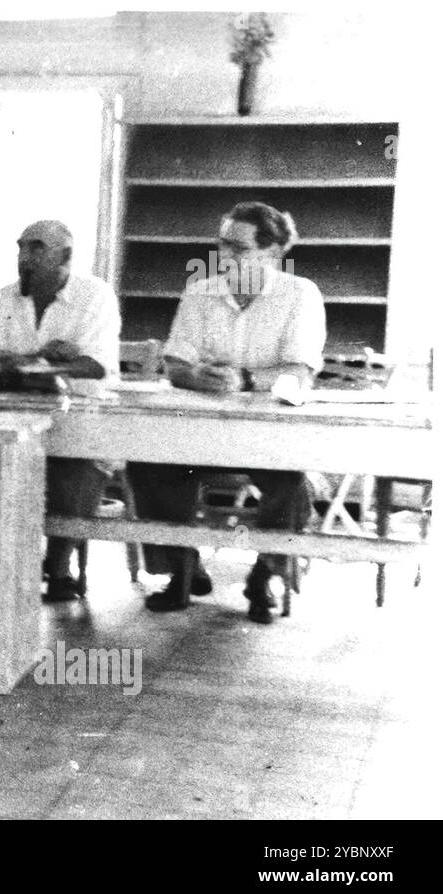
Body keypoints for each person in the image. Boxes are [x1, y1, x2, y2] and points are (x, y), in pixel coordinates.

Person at [129, 201, 325, 624]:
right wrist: (194, 376)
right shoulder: (201, 292)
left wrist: (247, 381)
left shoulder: (300, 295)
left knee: (294, 487)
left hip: (267, 437)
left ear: (273, 252)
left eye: (239, 248)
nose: (225, 256)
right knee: (147, 467)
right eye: (222, 245)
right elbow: (175, 363)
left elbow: (299, 372)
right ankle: (182, 571)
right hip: (199, 433)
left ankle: (265, 576)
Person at [0, 220, 120, 602]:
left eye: (36, 248)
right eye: (21, 248)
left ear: (65, 257)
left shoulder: (95, 295)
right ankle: (2, 565)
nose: (25, 258)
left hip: (78, 416)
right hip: (15, 416)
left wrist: (25, 365)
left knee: (77, 467)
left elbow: (97, 365)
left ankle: (59, 563)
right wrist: (39, 360)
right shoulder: (4, 298)